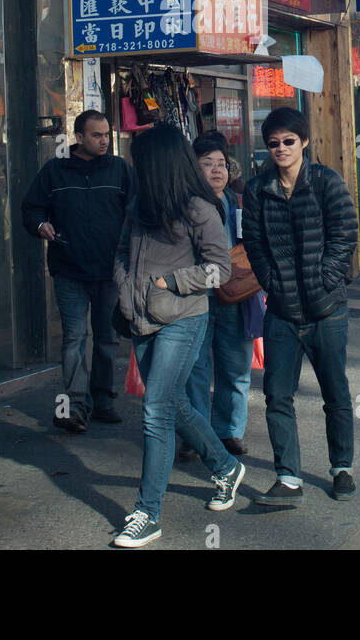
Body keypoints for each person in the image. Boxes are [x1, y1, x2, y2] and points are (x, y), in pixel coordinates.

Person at [111, 125, 242, 547]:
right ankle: (224, 467)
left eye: (140, 160)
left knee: (155, 411)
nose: (135, 167)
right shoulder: (139, 205)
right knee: (175, 404)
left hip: (183, 318)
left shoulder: (199, 209)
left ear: (159, 164)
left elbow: (219, 269)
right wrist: (124, 285)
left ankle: (147, 513)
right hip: (140, 319)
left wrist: (168, 283)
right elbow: (121, 252)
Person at [242, 107, 359, 506]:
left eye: (288, 141)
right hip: (281, 310)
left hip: (327, 309)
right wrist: (272, 283)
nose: (280, 149)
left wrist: (325, 280)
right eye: (273, 143)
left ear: (304, 142)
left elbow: (346, 234)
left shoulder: (326, 181)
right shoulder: (258, 189)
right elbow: (253, 244)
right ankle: (288, 477)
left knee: (335, 392)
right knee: (277, 395)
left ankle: (341, 468)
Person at [21, 109, 134, 432]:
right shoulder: (55, 172)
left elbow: (136, 210)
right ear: (79, 137)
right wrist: (40, 224)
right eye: (96, 135)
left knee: (106, 338)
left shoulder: (120, 171)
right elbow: (30, 207)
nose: (103, 141)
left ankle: (103, 400)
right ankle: (74, 405)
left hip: (110, 269)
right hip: (68, 267)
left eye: (106, 134)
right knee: (74, 337)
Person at [183, 132, 255, 458]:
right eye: (207, 164)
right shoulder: (183, 203)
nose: (216, 170)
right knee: (194, 369)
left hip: (235, 294)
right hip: (196, 296)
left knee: (235, 366)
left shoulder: (236, 200)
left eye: (221, 164)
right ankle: (197, 434)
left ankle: (229, 432)